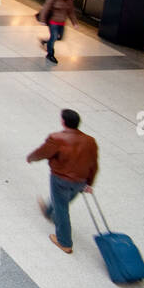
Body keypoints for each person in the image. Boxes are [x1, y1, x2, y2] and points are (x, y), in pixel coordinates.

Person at [27, 109, 98, 254]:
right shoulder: (90, 141)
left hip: (60, 179)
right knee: (62, 201)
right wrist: (89, 183)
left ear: (63, 122)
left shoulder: (57, 138)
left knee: (62, 208)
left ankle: (64, 242)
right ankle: (48, 210)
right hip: (80, 180)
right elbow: (94, 164)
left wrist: (31, 158)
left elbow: (42, 152)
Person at [37, 0, 78, 65]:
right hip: (53, 22)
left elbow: (71, 12)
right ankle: (50, 54)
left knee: (60, 38)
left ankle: (45, 41)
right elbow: (45, 9)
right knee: (54, 37)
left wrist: (74, 23)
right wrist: (42, 20)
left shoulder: (69, 0)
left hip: (62, 23)